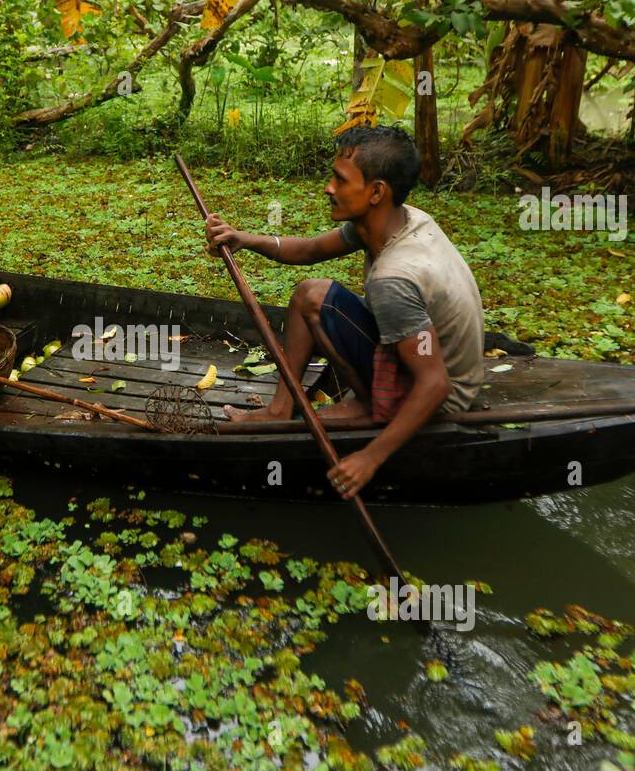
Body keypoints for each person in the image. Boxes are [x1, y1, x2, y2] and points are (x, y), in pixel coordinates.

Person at [204, 124, 484, 500]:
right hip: (432, 367)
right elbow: (309, 251)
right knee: (310, 293)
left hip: (437, 398)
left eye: (339, 179)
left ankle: (372, 406)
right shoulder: (393, 220)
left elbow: (434, 385)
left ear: (376, 192)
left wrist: (370, 458)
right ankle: (281, 409)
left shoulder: (394, 279)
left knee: (315, 299)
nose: (328, 188)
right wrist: (242, 239)